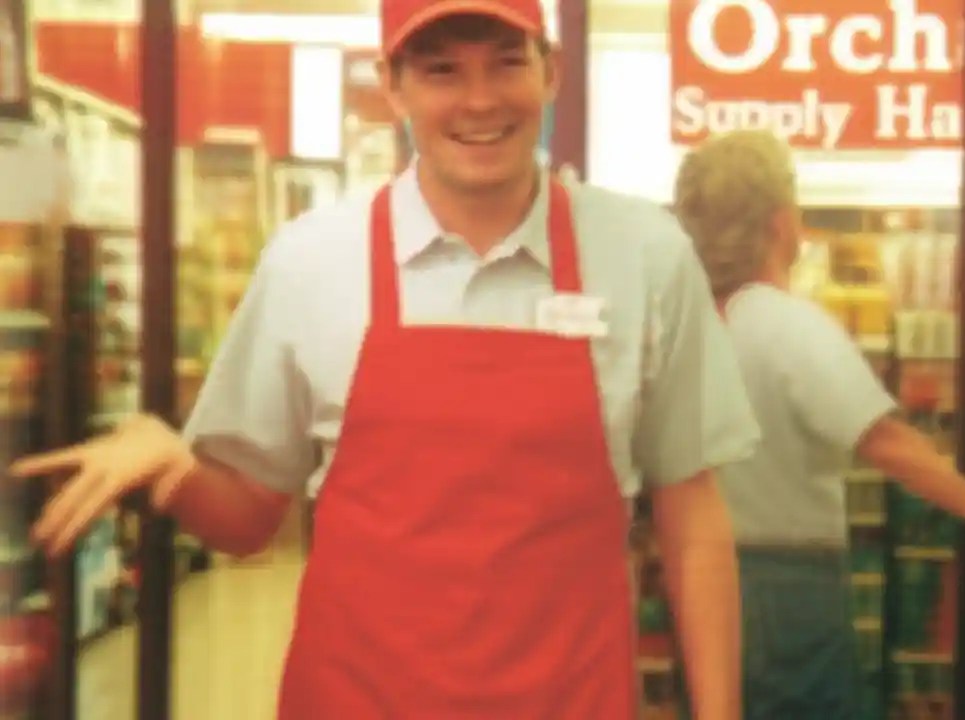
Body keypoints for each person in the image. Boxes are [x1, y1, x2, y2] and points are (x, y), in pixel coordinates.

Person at [9, 2, 761, 718]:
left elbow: (692, 518)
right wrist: (172, 469)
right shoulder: (312, 262)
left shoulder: (646, 258)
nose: (479, 100)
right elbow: (246, 523)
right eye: (441, 71)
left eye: (506, 63)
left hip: (570, 703)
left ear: (551, 72)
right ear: (393, 84)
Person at [671, 129, 965, 720]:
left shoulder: (683, 329)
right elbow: (889, 444)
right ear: (782, 223)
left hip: (698, 578)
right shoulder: (789, 326)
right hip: (786, 588)